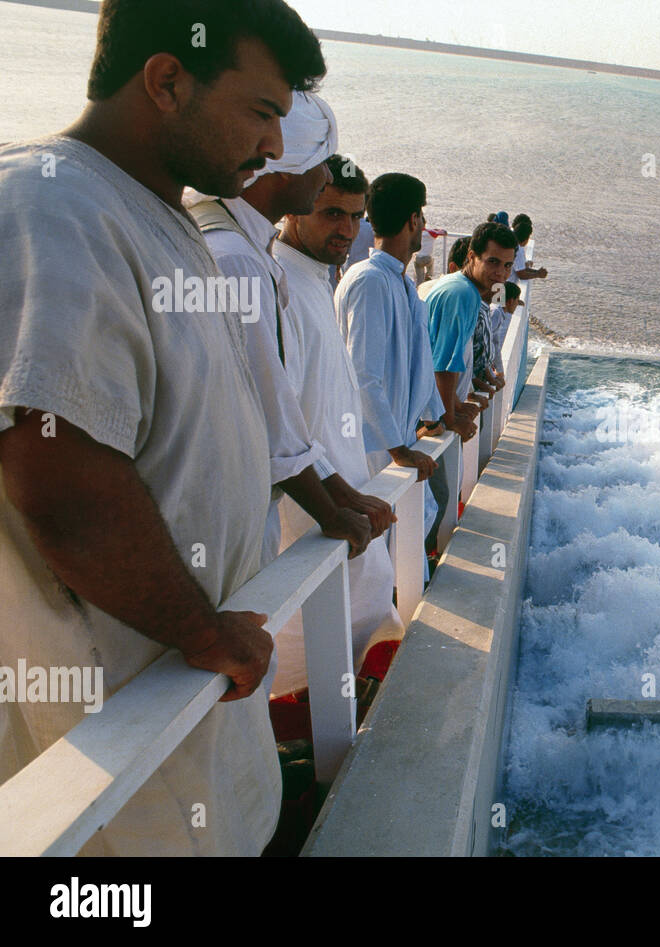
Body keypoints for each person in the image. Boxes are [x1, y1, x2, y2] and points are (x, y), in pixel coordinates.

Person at [0, 0, 325, 855]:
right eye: (262, 113)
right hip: (110, 770)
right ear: (168, 79)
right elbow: (60, 476)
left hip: (183, 737)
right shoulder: (54, 210)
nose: (275, 151)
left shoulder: (152, 211)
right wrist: (203, 629)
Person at [187, 92, 375, 569]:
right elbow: (274, 418)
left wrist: (342, 497)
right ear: (285, 168)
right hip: (224, 529)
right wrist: (332, 512)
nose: (329, 178)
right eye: (321, 164)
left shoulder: (240, 246)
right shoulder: (238, 260)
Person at [271, 154, 405, 694]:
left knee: (359, 639)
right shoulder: (276, 282)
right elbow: (280, 420)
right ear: (299, 210)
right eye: (331, 214)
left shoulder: (317, 279)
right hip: (307, 512)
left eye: (354, 216)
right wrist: (337, 501)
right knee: (305, 656)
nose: (346, 230)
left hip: (342, 501)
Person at [334, 172, 444, 544]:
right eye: (422, 218)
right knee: (385, 547)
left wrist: (436, 418)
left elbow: (420, 360)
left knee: (407, 536)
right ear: (413, 219)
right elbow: (363, 375)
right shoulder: (370, 281)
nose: (423, 226)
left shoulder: (401, 283)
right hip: (374, 447)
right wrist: (399, 449)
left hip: (396, 438)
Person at [424, 221, 517, 451]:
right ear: (472, 256)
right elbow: (443, 365)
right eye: (493, 262)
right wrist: (452, 418)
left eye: (508, 265)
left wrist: (456, 405)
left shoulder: (461, 288)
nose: (501, 274)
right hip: (430, 417)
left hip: (435, 408)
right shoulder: (462, 294)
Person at [508, 213, 547, 284]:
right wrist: (538, 274)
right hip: (507, 286)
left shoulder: (512, 243)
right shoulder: (518, 249)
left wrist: (537, 271)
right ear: (526, 238)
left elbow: (522, 268)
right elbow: (521, 274)